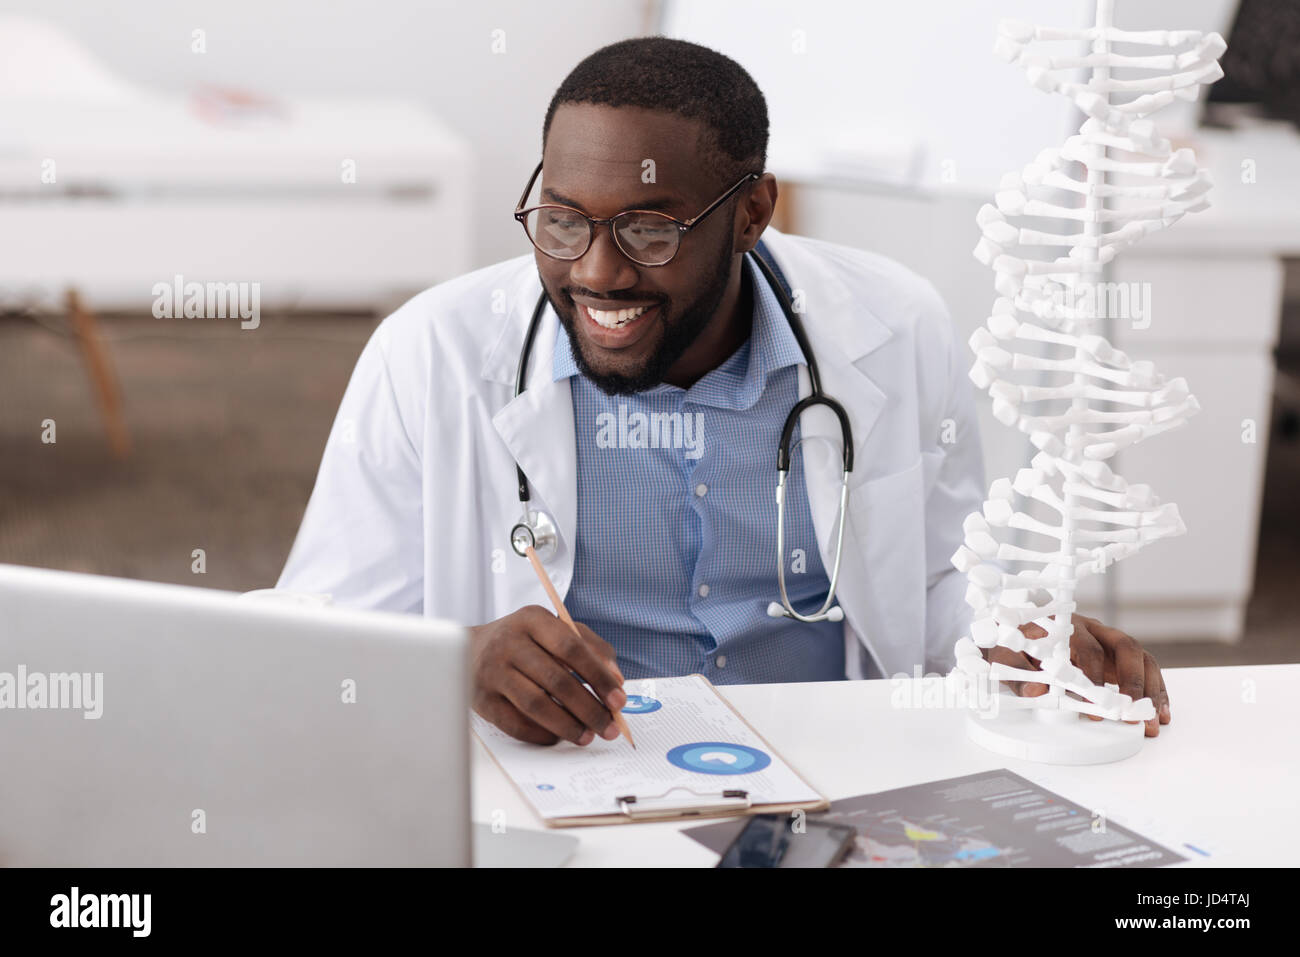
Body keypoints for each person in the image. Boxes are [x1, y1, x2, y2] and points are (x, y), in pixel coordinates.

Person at [278, 37, 1171, 746]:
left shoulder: (896, 327)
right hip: (584, 774)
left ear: (752, 214)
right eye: (562, 220)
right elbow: (310, 642)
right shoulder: (428, 353)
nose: (596, 272)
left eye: (649, 230)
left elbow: (938, 573)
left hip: (835, 766)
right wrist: (454, 661)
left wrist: (1014, 635)